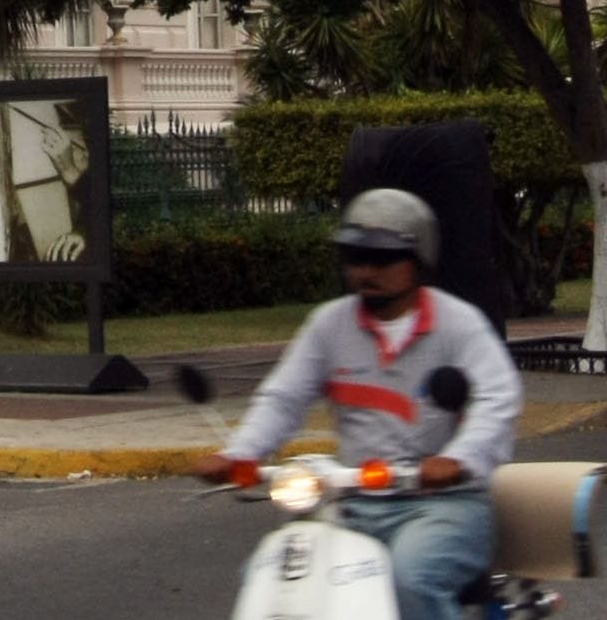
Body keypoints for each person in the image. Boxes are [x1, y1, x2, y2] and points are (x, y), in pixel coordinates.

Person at [205, 188, 521, 620]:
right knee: (267, 573)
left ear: (418, 260)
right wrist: (239, 454)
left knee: (411, 579)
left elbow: (497, 398)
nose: (366, 271)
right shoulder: (330, 325)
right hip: (352, 502)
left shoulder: (458, 324)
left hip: (442, 506)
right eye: (356, 258)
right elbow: (283, 398)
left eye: (382, 259)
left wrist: (458, 459)